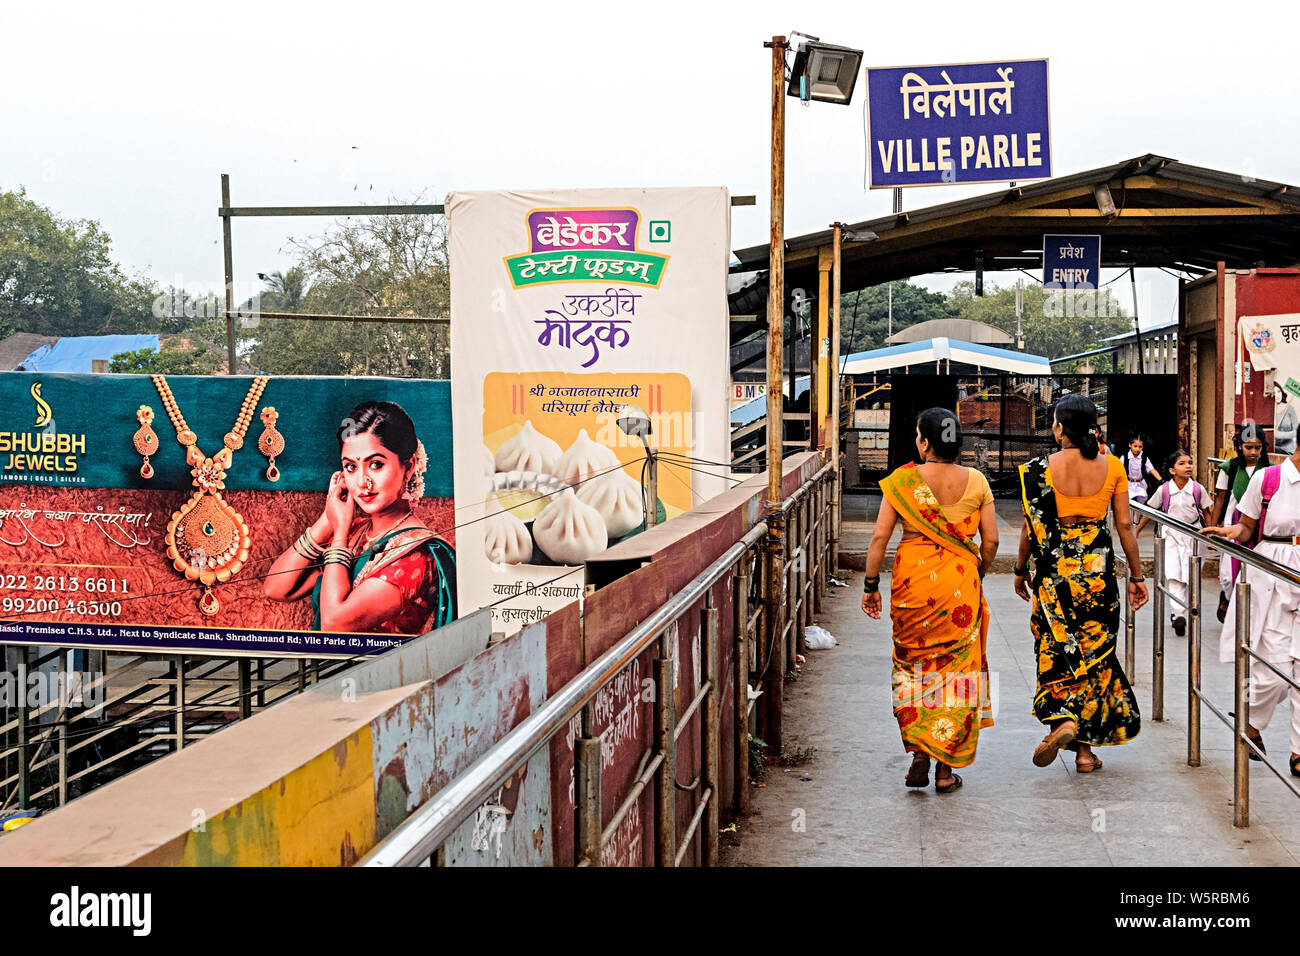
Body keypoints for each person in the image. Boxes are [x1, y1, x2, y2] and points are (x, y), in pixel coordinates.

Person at [862, 408, 998, 794]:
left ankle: (920, 751)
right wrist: (977, 573)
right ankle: (944, 770)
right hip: (959, 588)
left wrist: (871, 585)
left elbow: (878, 540)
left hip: (913, 587)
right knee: (956, 675)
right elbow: (990, 541)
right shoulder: (976, 481)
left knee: (914, 667)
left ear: (924, 441)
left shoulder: (903, 482)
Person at [1014, 394, 1147, 773]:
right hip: (1097, 576)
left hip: (1054, 577)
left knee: (1056, 651)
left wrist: (1020, 570)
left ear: (1058, 427)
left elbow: (1029, 528)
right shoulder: (1115, 467)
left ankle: (1063, 722)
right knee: (1094, 656)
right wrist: (1137, 576)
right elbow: (1124, 526)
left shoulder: (1037, 469)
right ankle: (1086, 753)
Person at [264, 401, 456, 634]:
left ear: (408, 467)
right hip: (327, 669)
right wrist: (327, 520)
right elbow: (275, 588)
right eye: (351, 467)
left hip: (379, 669)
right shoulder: (356, 532)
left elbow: (334, 624)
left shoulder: (416, 554)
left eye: (375, 465)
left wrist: (340, 535)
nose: (363, 483)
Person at [1204, 443, 1300, 779]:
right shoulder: (1270, 479)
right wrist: (1230, 532)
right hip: (1273, 573)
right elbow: (1247, 527)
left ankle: (1298, 751)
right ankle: (1252, 721)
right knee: (1273, 670)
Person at [1135, 451, 1212, 638]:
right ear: (1172, 470)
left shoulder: (1197, 489)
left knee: (1190, 576)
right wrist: (1136, 531)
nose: (1188, 466)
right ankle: (1178, 614)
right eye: (1182, 463)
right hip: (1171, 536)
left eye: (1190, 463)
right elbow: (1150, 511)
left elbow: (1207, 511)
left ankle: (1185, 610)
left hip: (1193, 536)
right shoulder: (1165, 490)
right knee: (1174, 575)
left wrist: (1211, 532)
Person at [1211, 426, 1268, 623]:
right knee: (1227, 575)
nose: (1253, 452)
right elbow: (1220, 499)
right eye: (1249, 447)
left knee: (1252, 572)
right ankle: (1227, 596)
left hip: (1258, 527)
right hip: (1232, 524)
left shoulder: (1267, 470)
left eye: (1258, 448)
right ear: (1240, 447)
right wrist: (1212, 527)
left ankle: (1243, 613)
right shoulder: (1230, 468)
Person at [1119, 434, 1162, 505]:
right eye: (1135, 446)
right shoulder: (1125, 457)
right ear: (1130, 445)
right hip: (1128, 484)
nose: (1137, 449)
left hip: (1140, 484)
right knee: (1128, 503)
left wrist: (1161, 480)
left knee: (1141, 503)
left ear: (1143, 447)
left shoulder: (1144, 458)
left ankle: (1137, 516)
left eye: (1140, 447)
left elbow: (1152, 470)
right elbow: (1118, 470)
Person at [1275, 383, 1298, 456]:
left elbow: (1297, 432)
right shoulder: (1269, 410)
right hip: (1273, 449)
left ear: (1282, 392)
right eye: (1274, 392)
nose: (1277, 395)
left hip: (1288, 451)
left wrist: (1278, 435)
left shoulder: (1290, 409)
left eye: (1279, 391)